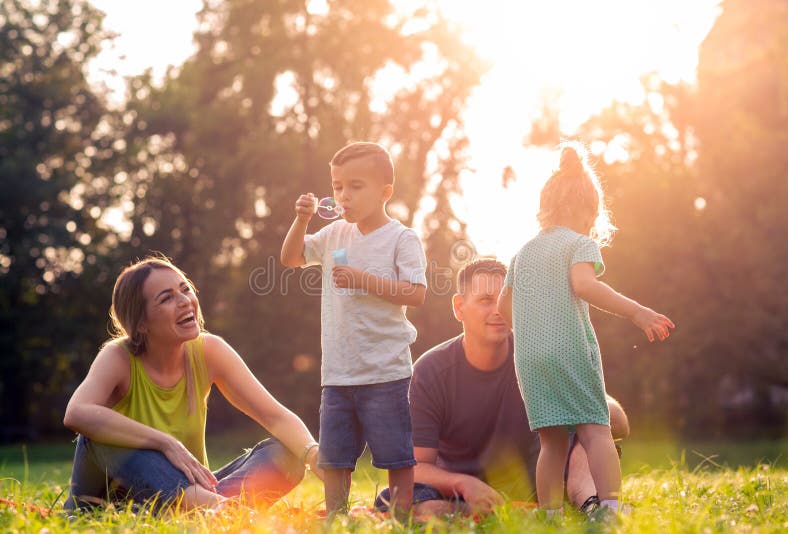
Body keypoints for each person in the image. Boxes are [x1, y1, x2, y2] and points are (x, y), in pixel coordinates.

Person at [497, 142, 675, 518]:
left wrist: (531, 332)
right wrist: (636, 311)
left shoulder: (522, 252)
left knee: (551, 441)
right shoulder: (580, 243)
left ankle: (549, 514)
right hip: (568, 351)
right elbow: (585, 286)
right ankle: (610, 507)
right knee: (596, 430)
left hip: (528, 359)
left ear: (545, 206)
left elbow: (503, 306)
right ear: (586, 211)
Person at [63, 256, 322, 513]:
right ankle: (215, 508)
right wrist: (164, 443)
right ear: (140, 322)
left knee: (287, 453)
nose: (185, 301)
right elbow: (77, 413)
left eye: (185, 289)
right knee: (97, 431)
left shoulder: (210, 351)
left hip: (190, 493)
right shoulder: (117, 357)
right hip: (111, 504)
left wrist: (314, 455)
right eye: (166, 298)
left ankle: (209, 509)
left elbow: (274, 415)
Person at [375, 258, 630, 517]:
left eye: (506, 300)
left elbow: (617, 420)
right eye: (485, 300)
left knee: (584, 443)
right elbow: (417, 466)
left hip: (538, 483)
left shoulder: (539, 355)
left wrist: (594, 415)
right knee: (410, 500)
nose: (498, 310)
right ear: (459, 307)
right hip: (458, 489)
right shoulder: (430, 372)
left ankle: (591, 507)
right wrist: (464, 484)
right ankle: (487, 512)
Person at [280, 141, 427, 517]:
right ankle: (335, 519)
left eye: (356, 186)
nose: (344, 196)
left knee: (396, 456)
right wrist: (301, 220)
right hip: (339, 372)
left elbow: (416, 293)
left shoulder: (401, 238)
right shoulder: (333, 235)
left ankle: (401, 519)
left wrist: (364, 279)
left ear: (385, 192)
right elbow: (291, 258)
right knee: (335, 457)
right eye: (338, 186)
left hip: (386, 371)